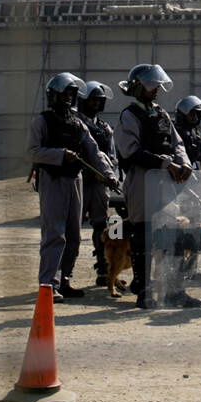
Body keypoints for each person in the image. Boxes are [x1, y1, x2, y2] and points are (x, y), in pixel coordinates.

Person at [114, 63, 199, 309]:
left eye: (158, 85)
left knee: (172, 237)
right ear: (138, 87)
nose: (157, 89)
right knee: (142, 237)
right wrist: (166, 163)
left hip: (165, 183)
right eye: (151, 85)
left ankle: (174, 290)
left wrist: (184, 163)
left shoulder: (161, 114)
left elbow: (177, 142)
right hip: (142, 180)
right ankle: (143, 292)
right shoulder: (129, 115)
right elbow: (130, 150)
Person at [27, 72, 114, 303]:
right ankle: (48, 284)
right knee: (55, 234)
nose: (67, 98)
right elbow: (32, 152)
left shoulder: (78, 124)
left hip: (76, 180)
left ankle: (64, 279)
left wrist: (109, 174)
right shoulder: (42, 122)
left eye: (71, 94)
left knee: (73, 235)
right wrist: (60, 155)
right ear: (52, 95)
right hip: (52, 180)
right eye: (63, 93)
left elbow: (94, 152)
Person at [75, 80, 121, 287]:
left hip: (99, 183)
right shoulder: (74, 123)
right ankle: (63, 274)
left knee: (102, 225)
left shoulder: (104, 128)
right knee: (71, 227)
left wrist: (107, 173)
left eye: (99, 101)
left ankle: (103, 267)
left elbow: (112, 156)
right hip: (77, 180)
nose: (96, 104)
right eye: (93, 100)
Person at [175, 96, 201, 170]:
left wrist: (197, 166)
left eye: (197, 114)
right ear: (182, 115)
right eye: (192, 114)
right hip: (174, 176)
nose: (195, 118)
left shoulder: (198, 136)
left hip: (194, 177)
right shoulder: (172, 132)